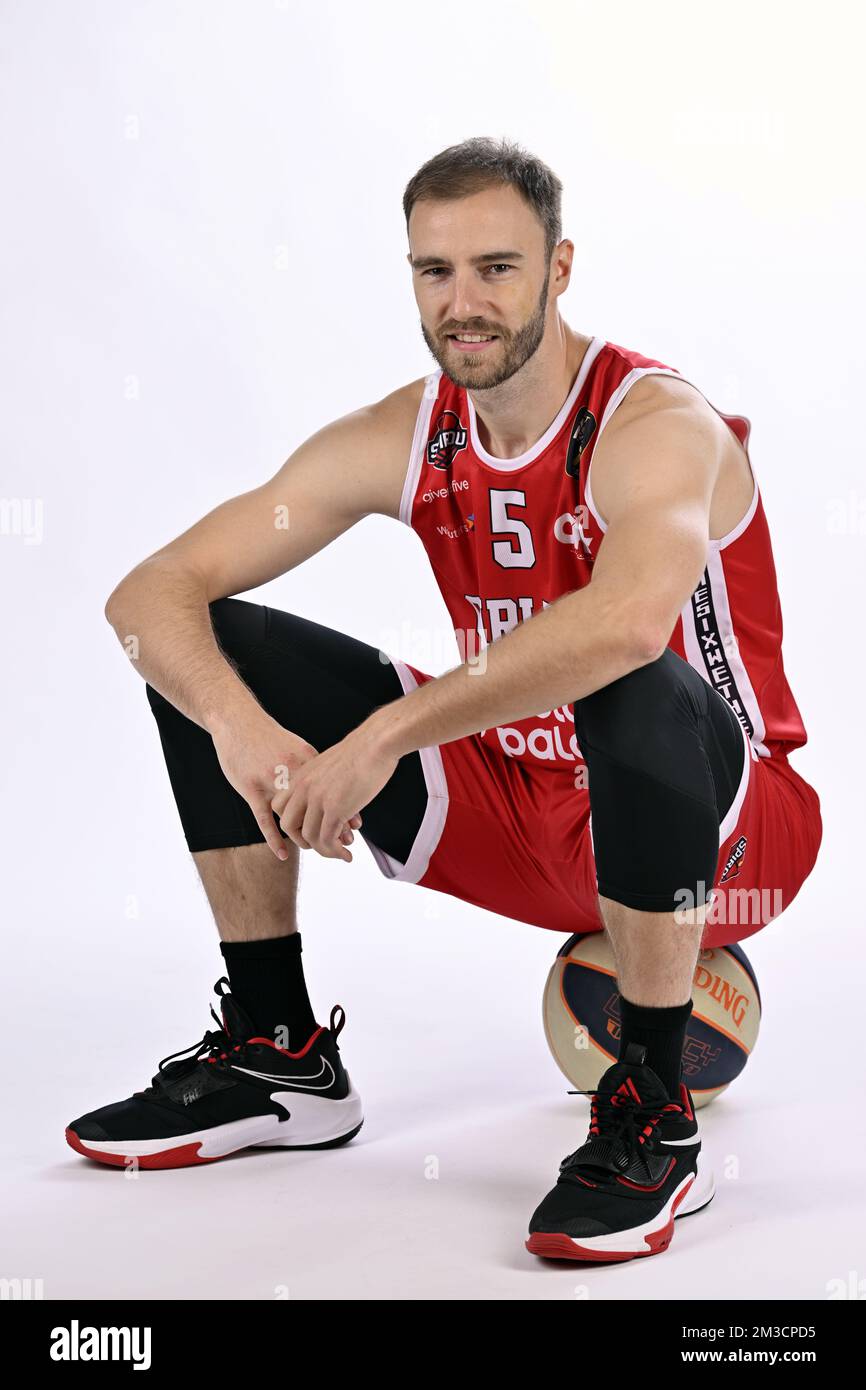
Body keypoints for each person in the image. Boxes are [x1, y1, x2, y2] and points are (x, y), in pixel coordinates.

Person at [66, 136, 822, 1264]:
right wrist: (244, 731)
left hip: (723, 820)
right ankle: (280, 1053)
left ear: (560, 269)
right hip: (516, 803)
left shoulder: (653, 425)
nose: (462, 302)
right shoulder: (405, 434)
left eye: (496, 268)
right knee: (207, 646)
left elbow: (623, 624)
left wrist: (382, 736)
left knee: (624, 675)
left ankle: (653, 1112)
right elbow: (149, 594)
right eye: (434, 271)